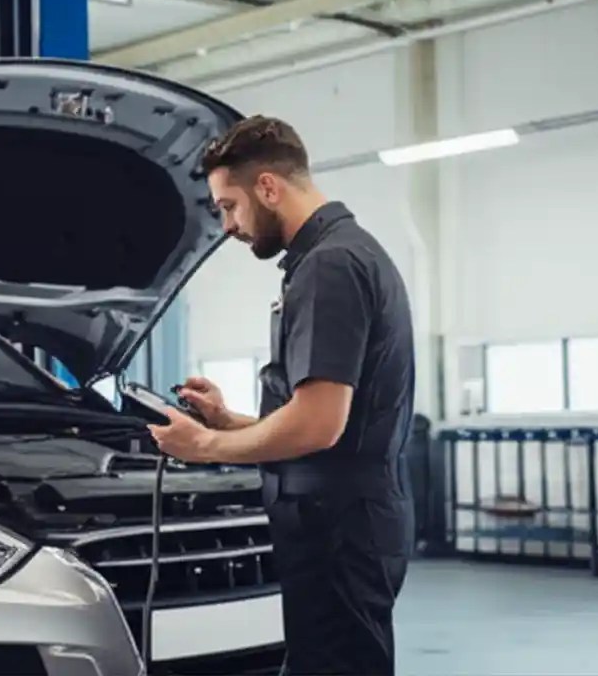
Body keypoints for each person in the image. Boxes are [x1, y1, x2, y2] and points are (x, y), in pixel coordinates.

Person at [148, 115, 416, 675]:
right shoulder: (343, 254)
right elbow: (321, 416)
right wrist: (228, 420)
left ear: (268, 187)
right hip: (347, 518)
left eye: (228, 205)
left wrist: (202, 447)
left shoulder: (331, 267)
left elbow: (319, 426)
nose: (227, 225)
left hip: (338, 527)